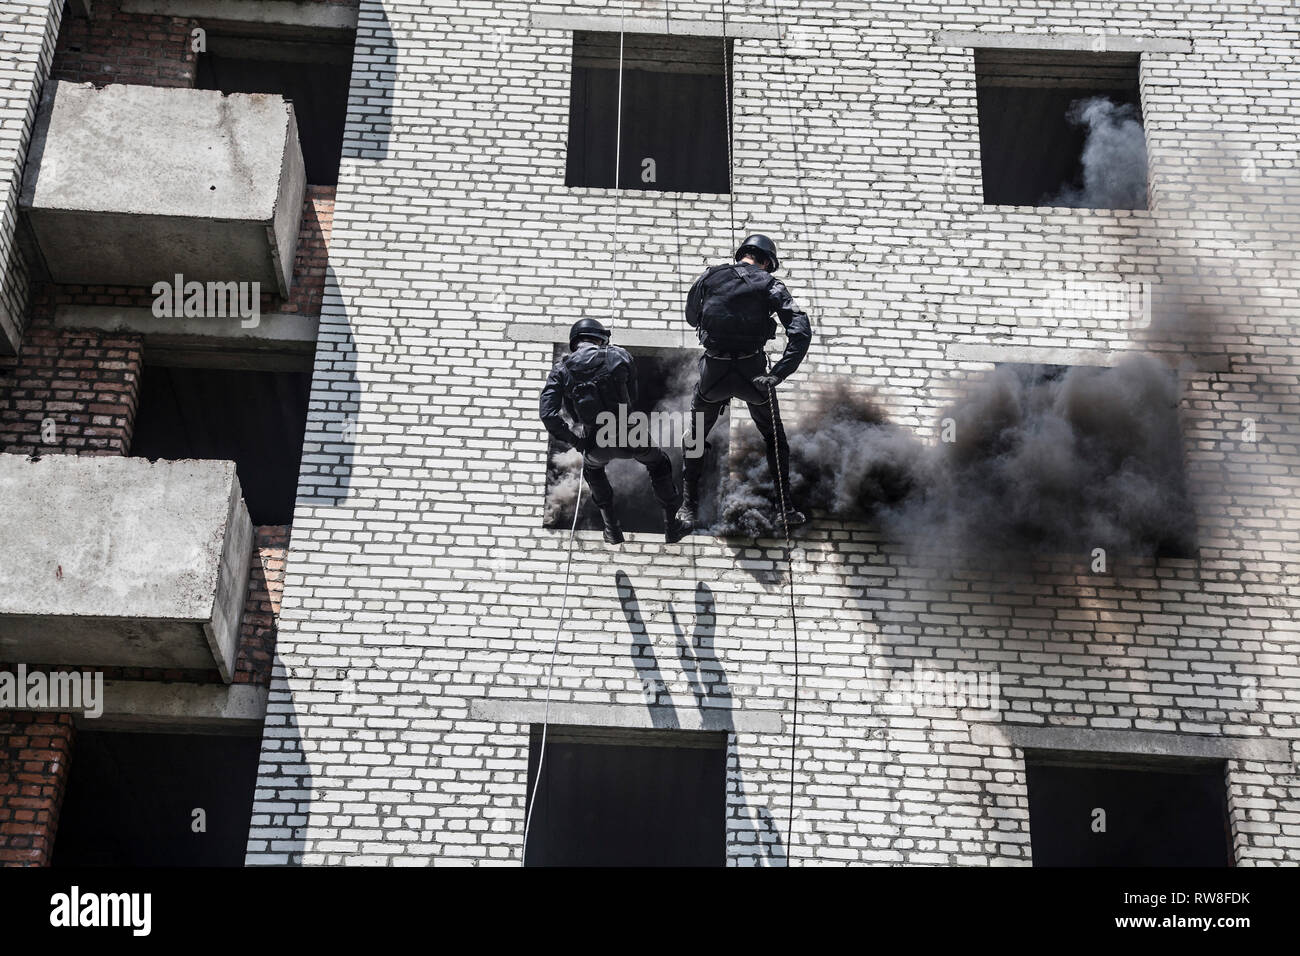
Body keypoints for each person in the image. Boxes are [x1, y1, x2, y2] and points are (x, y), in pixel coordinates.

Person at [678, 233, 813, 533]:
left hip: (714, 374)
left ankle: (687, 507)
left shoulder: (710, 276)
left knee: (696, 436)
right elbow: (801, 331)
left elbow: (691, 318)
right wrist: (778, 372)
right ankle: (785, 509)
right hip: (753, 375)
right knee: (774, 438)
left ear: (743, 254)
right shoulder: (770, 284)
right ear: (766, 261)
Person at [539, 318, 689, 545]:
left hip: (596, 443)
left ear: (575, 341)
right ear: (600, 338)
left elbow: (548, 415)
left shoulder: (561, 370)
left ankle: (611, 528)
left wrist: (576, 441)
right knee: (659, 463)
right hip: (631, 435)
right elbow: (633, 394)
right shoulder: (619, 355)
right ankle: (672, 526)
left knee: (593, 470)